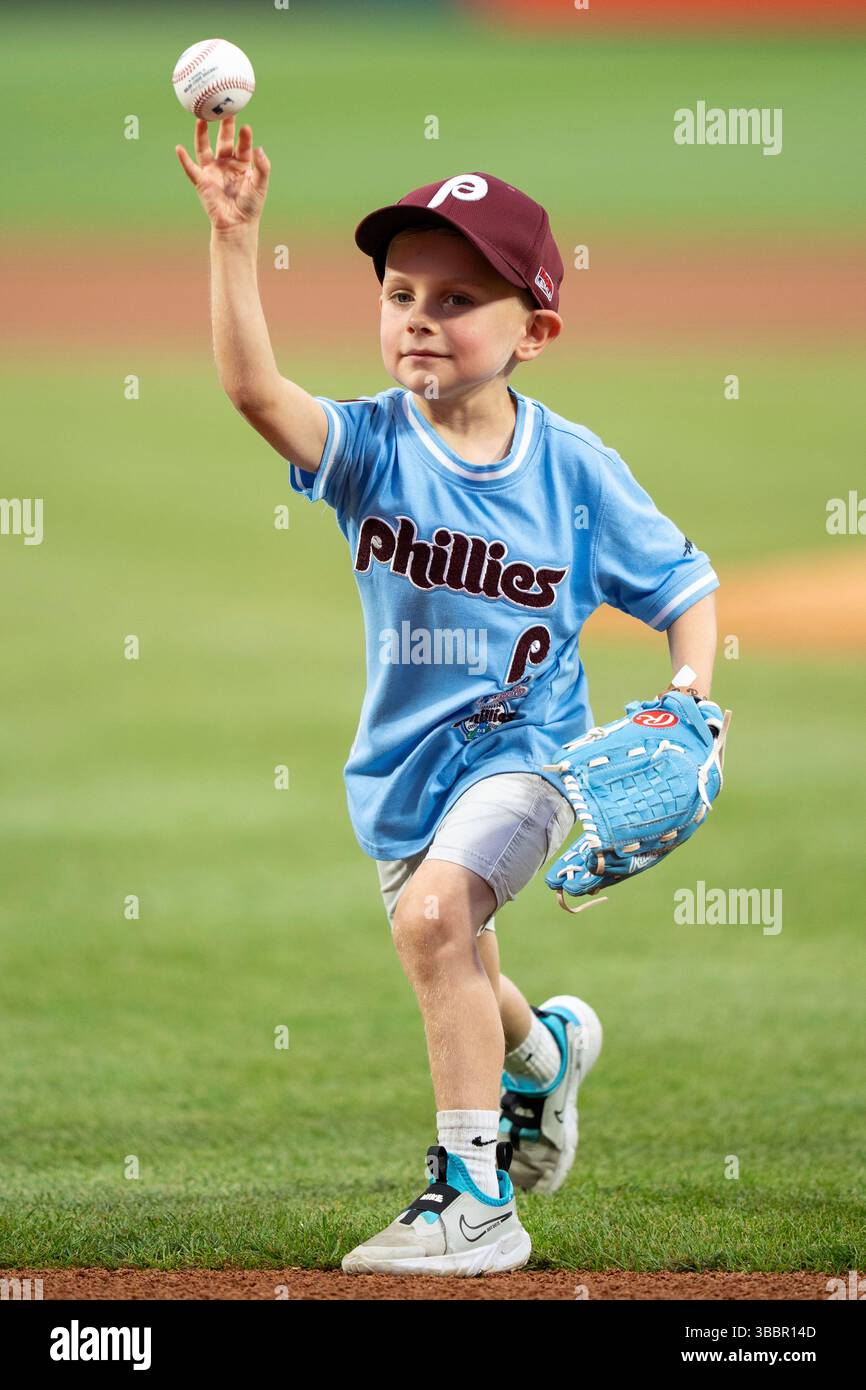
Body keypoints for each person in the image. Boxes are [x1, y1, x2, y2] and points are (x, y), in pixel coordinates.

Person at [176, 121, 720, 1277]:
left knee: (434, 924)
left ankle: (473, 1205)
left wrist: (686, 694)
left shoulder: (571, 468)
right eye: (400, 290)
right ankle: (544, 1056)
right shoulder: (370, 447)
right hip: (399, 768)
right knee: (455, 955)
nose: (419, 316)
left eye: (459, 296)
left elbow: (685, 585)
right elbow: (249, 387)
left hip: (531, 751)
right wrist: (235, 234)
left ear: (535, 329)